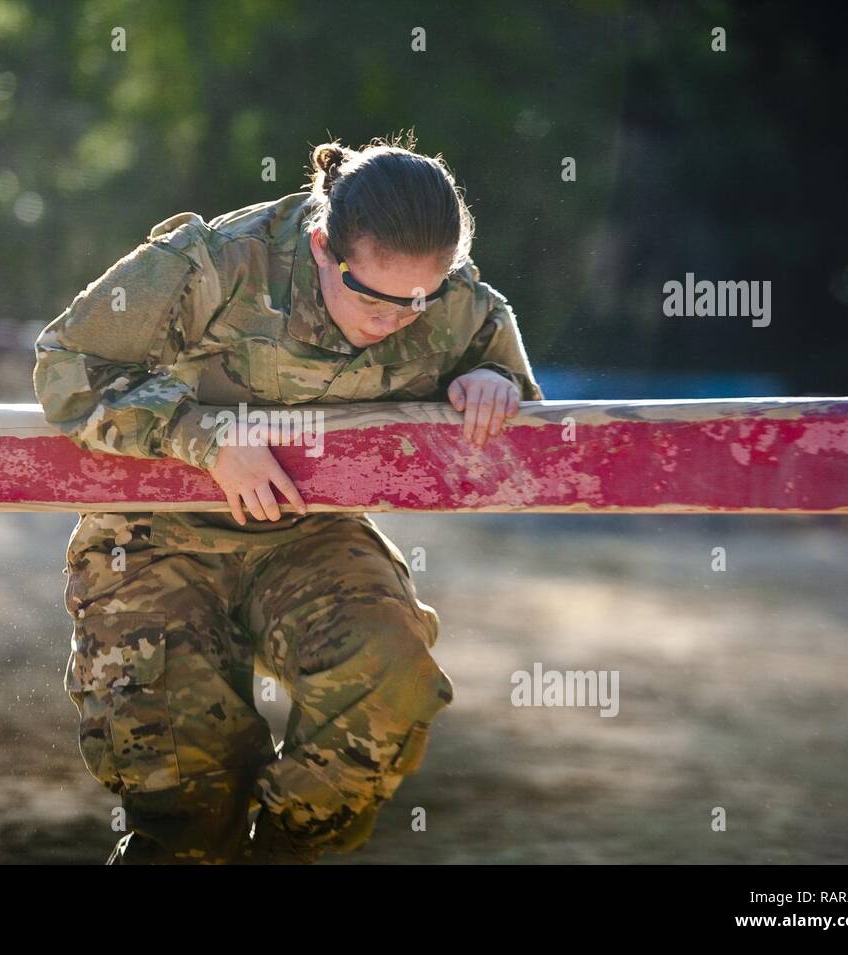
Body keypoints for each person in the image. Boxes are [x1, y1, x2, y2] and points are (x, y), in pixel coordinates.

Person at [32, 133, 545, 864]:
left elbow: (509, 375)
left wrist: (494, 382)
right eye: (373, 296)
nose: (398, 317)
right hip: (154, 537)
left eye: (420, 299)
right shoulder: (216, 264)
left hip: (307, 536)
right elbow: (65, 365)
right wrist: (202, 437)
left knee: (390, 675)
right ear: (320, 247)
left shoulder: (448, 299)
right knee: (189, 801)